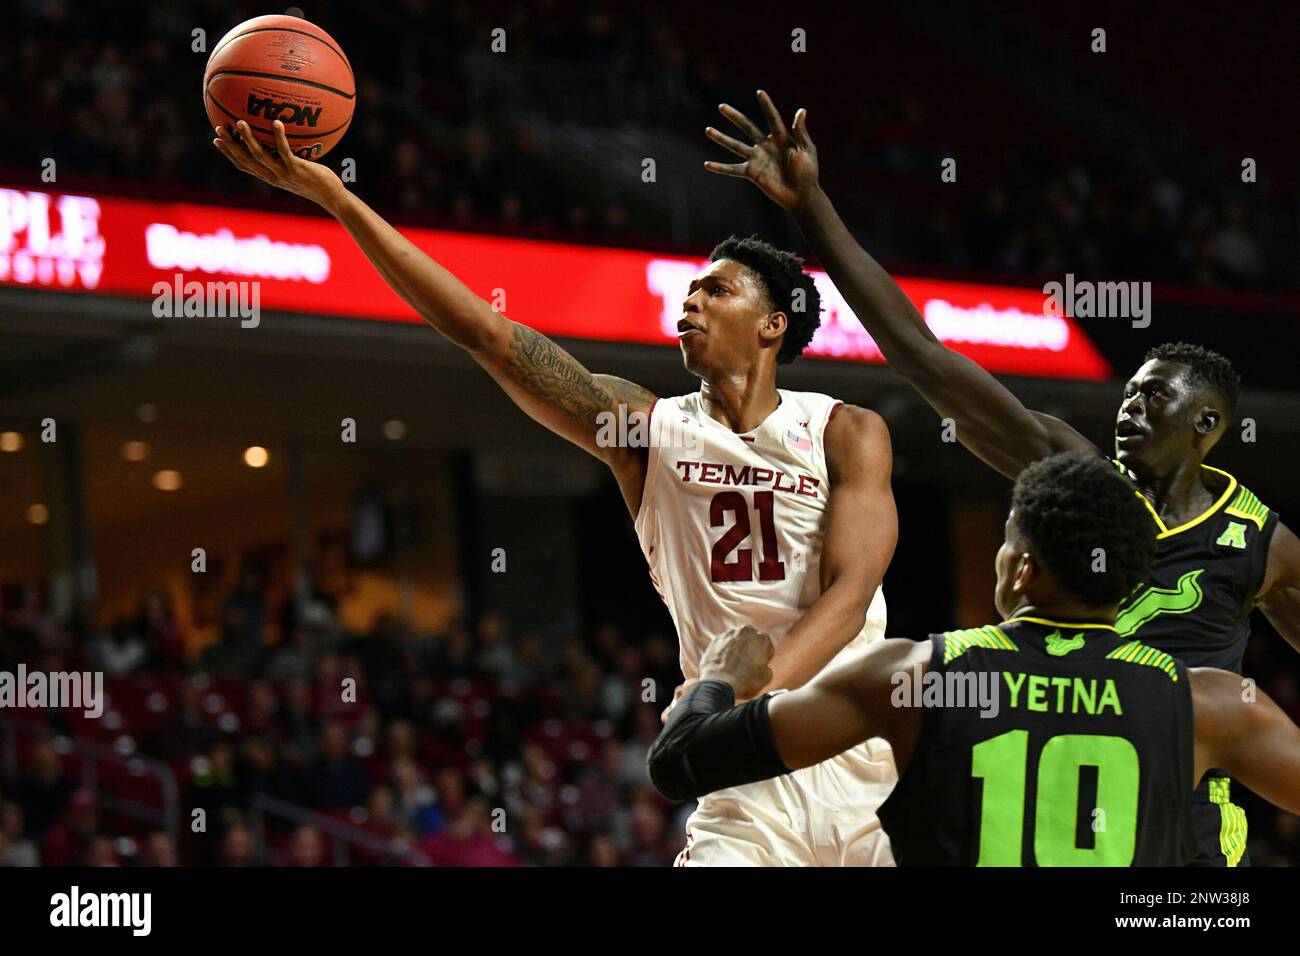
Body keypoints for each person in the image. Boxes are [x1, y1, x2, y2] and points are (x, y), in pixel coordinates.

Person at [214, 119, 900, 866]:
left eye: (717, 289)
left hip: (855, 759)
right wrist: (338, 200)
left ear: (773, 324)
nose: (691, 301)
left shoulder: (845, 431)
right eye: (690, 289)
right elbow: (487, 333)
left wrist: (736, 691)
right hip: (742, 779)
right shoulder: (643, 429)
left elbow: (851, 595)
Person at [704, 91, 1300, 865]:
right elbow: (924, 356)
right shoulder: (1070, 474)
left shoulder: (1262, 543)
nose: (1129, 407)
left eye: (1156, 398)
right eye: (1128, 391)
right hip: (1030, 801)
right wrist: (812, 206)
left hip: (1178, 830)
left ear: (1207, 427)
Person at [650, 453, 1300, 865]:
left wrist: (722, 677)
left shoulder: (912, 676)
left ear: (1021, 569)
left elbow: (680, 764)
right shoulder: (1209, 705)